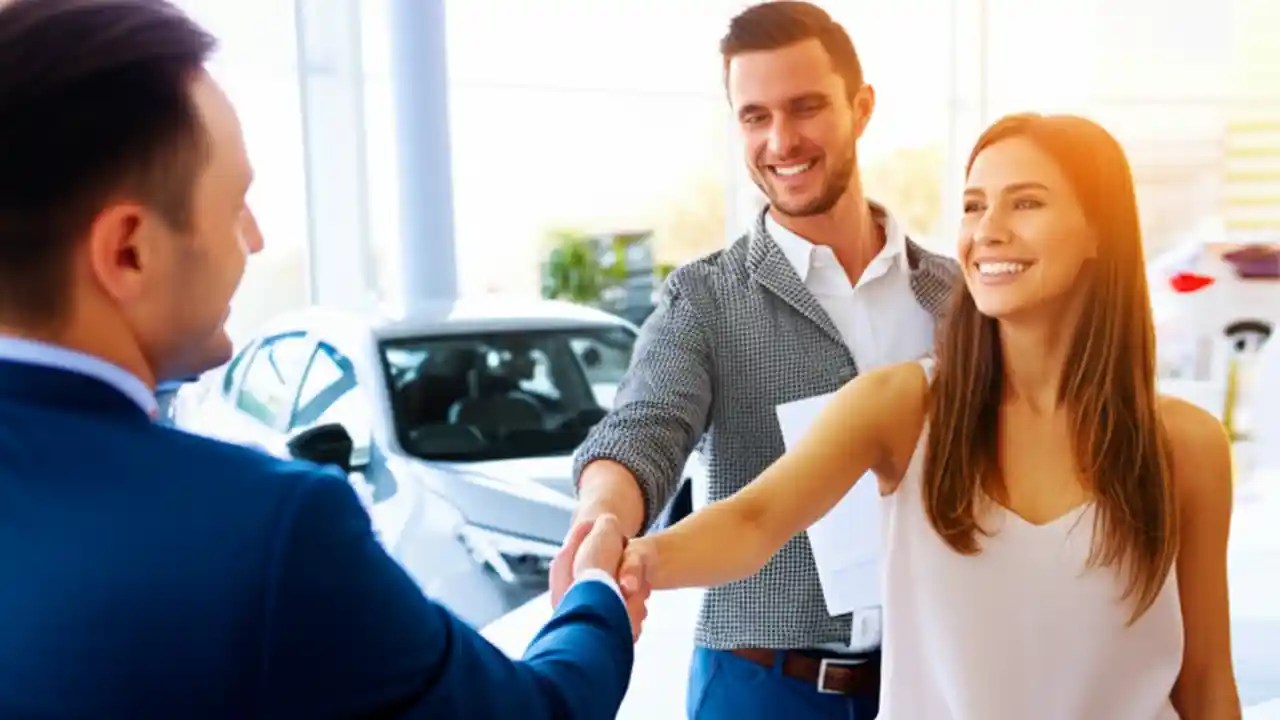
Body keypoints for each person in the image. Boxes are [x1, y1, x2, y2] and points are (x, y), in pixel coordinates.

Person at [0, 1, 641, 718]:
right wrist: (595, 596)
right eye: (235, 203)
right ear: (130, 251)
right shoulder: (265, 531)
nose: (257, 238)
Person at [617, 113, 1242, 719]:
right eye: (974, 205)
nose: (988, 230)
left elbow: (1208, 684)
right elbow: (753, 520)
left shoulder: (1184, 445)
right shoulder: (903, 408)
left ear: (1097, 231)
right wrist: (638, 560)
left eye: (1026, 203)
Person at [556, 2, 959, 717]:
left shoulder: (953, 300)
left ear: (861, 108)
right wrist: (605, 519)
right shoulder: (704, 299)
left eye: (806, 108)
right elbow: (642, 429)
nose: (781, 140)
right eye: (755, 116)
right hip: (760, 688)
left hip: (932, 677)